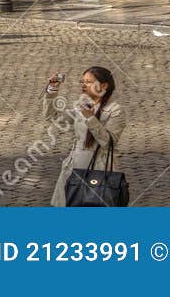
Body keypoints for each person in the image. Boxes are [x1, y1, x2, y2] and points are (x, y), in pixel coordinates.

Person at [41, 66, 123, 206]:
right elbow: (53, 117)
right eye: (82, 82)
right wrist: (52, 91)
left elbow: (109, 142)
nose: (84, 85)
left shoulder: (116, 110)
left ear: (104, 86)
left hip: (99, 170)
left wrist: (90, 118)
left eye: (89, 82)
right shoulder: (83, 106)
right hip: (74, 167)